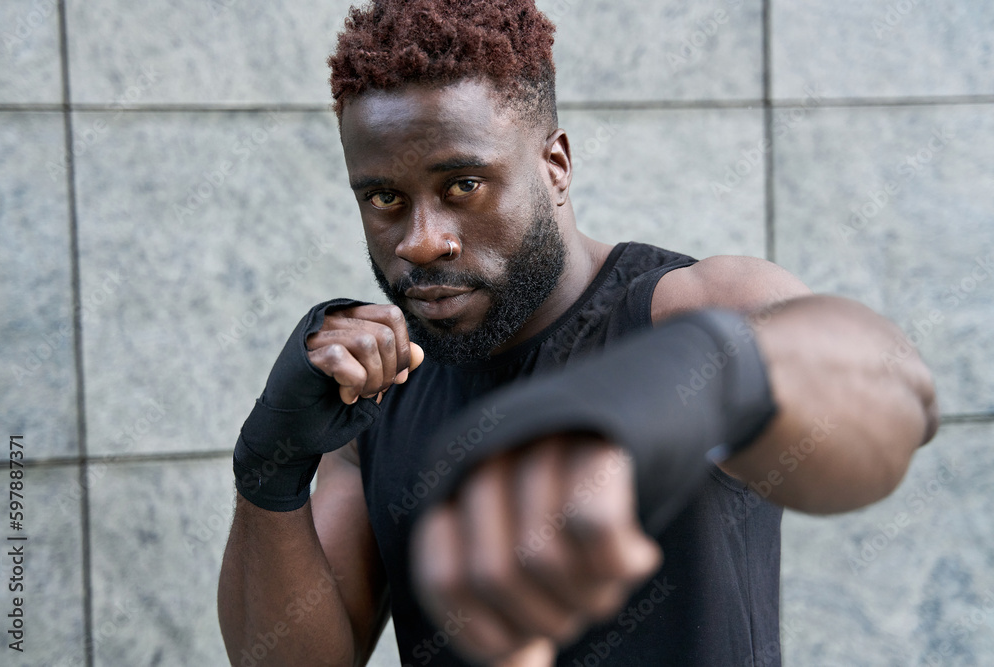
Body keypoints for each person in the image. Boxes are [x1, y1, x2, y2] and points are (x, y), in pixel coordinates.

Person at [217, 1, 939, 665]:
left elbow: (897, 391)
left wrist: (688, 384)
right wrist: (269, 468)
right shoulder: (385, 388)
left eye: (464, 185)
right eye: (384, 198)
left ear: (555, 166)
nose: (422, 241)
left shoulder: (685, 309)